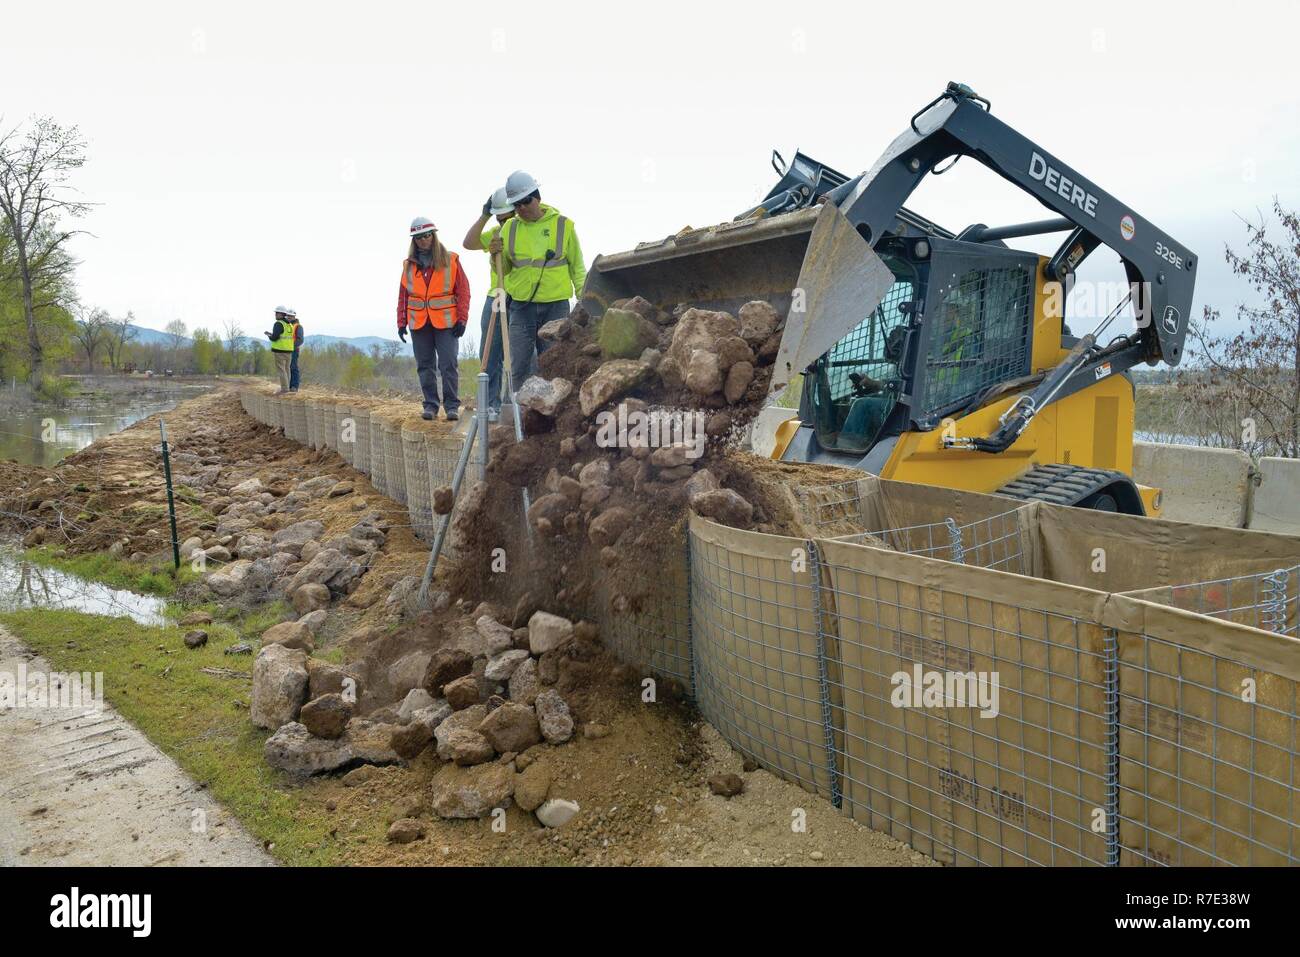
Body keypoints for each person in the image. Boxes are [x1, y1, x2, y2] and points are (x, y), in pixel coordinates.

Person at [489, 170, 586, 382]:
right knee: (518, 367)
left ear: (537, 197)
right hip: (521, 307)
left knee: (555, 364)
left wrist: (585, 298)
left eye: (525, 201)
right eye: (516, 204)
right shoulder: (510, 229)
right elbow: (503, 270)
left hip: (556, 307)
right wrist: (494, 255)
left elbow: (577, 268)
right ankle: (517, 413)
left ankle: (553, 414)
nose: (521, 207)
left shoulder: (563, 225)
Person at [398, 216, 469, 421]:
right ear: (414, 240)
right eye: (418, 237)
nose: (423, 240)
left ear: (433, 236)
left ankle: (452, 406)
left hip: (446, 323)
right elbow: (403, 295)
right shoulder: (408, 266)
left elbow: (463, 291)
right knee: (425, 365)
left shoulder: (451, 260)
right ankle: (430, 405)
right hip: (419, 323)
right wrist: (401, 322)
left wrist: (462, 319)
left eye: (426, 235)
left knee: (448, 364)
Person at [463, 187, 515, 422]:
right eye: (498, 218)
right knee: (490, 353)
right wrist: (484, 216)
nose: (502, 222)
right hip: (495, 297)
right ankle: (491, 407)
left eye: (507, 217)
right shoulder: (494, 233)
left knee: (519, 355)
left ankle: (510, 405)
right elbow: (469, 242)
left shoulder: (523, 233)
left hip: (520, 297)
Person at [265, 305, 298, 393]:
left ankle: (284, 389)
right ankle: (287, 388)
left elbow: (275, 337)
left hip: (280, 351)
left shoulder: (278, 324)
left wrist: (269, 336)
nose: (275, 315)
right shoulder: (289, 324)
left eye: (277, 313)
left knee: (281, 370)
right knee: (287, 369)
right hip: (289, 351)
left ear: (281, 314)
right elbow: (285, 336)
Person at [288, 307, 303, 392]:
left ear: (294, 316)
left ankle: (294, 386)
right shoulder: (287, 326)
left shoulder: (298, 326)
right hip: (286, 350)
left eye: (291, 316)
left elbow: (300, 340)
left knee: (293, 367)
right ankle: (289, 386)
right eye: (288, 316)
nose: (289, 317)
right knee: (288, 368)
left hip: (293, 350)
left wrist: (292, 347)